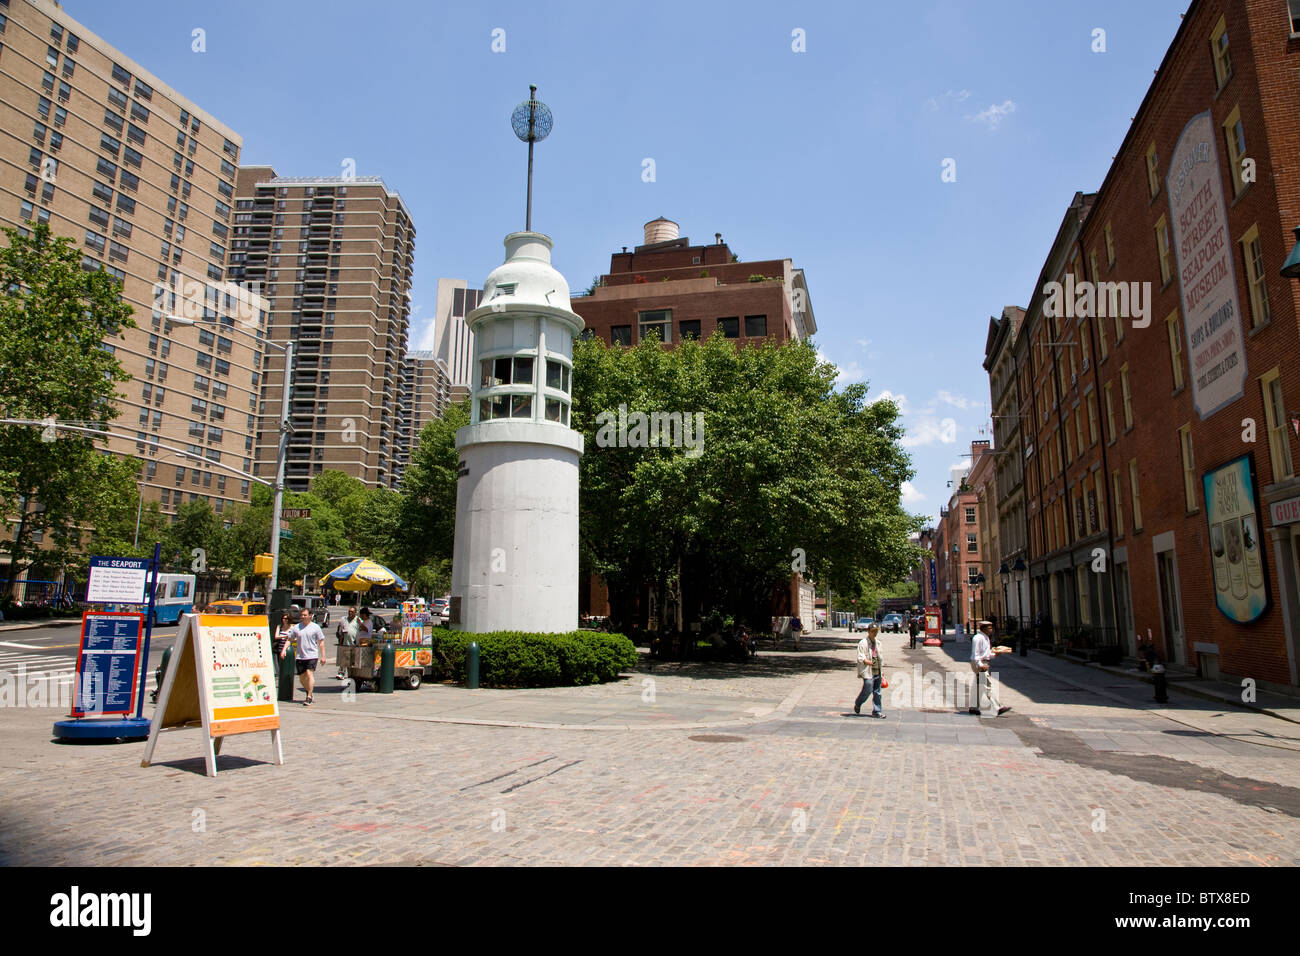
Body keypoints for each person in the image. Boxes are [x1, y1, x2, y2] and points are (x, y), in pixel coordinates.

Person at [970, 619, 1011, 716]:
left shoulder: (986, 638)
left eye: (991, 627)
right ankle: (998, 707)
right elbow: (975, 654)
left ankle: (973, 707)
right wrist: (980, 665)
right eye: (989, 628)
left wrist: (996, 654)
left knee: (978, 685)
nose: (991, 629)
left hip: (984, 662)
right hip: (979, 663)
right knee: (988, 685)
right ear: (983, 628)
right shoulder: (977, 638)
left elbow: (987, 654)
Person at [291, 605, 326, 706]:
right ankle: (308, 691)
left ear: (310, 616)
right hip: (300, 656)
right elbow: (290, 639)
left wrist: (323, 656)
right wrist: (284, 649)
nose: (302, 617)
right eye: (301, 615)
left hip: (312, 655)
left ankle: (309, 696)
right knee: (302, 678)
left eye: (305, 615)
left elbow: (321, 642)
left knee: (309, 673)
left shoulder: (315, 627)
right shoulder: (297, 627)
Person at [854, 624, 884, 717]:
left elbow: (881, 657)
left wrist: (881, 669)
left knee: (877, 692)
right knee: (868, 688)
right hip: (868, 670)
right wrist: (867, 661)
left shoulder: (878, 643)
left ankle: (877, 711)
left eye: (876, 631)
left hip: (877, 669)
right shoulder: (863, 643)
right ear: (868, 631)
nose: (875, 633)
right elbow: (860, 656)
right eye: (873, 631)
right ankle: (858, 703)